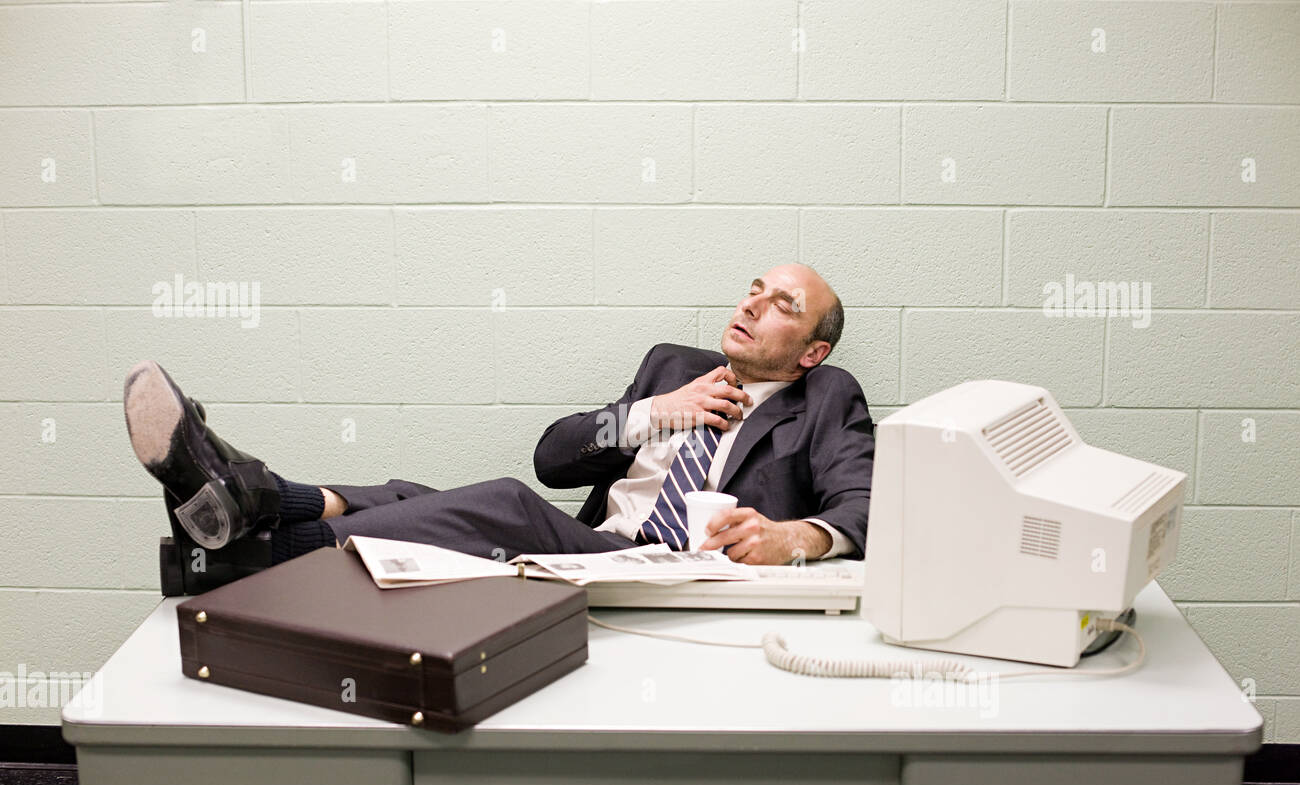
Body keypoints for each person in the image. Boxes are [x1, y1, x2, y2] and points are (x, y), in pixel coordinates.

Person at [123, 263, 875, 594]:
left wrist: (797, 538)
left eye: (780, 303)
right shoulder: (671, 365)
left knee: (505, 505)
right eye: (752, 290)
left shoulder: (828, 397)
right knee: (406, 495)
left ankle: (245, 512)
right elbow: (554, 459)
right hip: (597, 551)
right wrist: (652, 414)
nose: (749, 306)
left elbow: (863, 508)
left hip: (668, 571)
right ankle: (244, 518)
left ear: (812, 350)